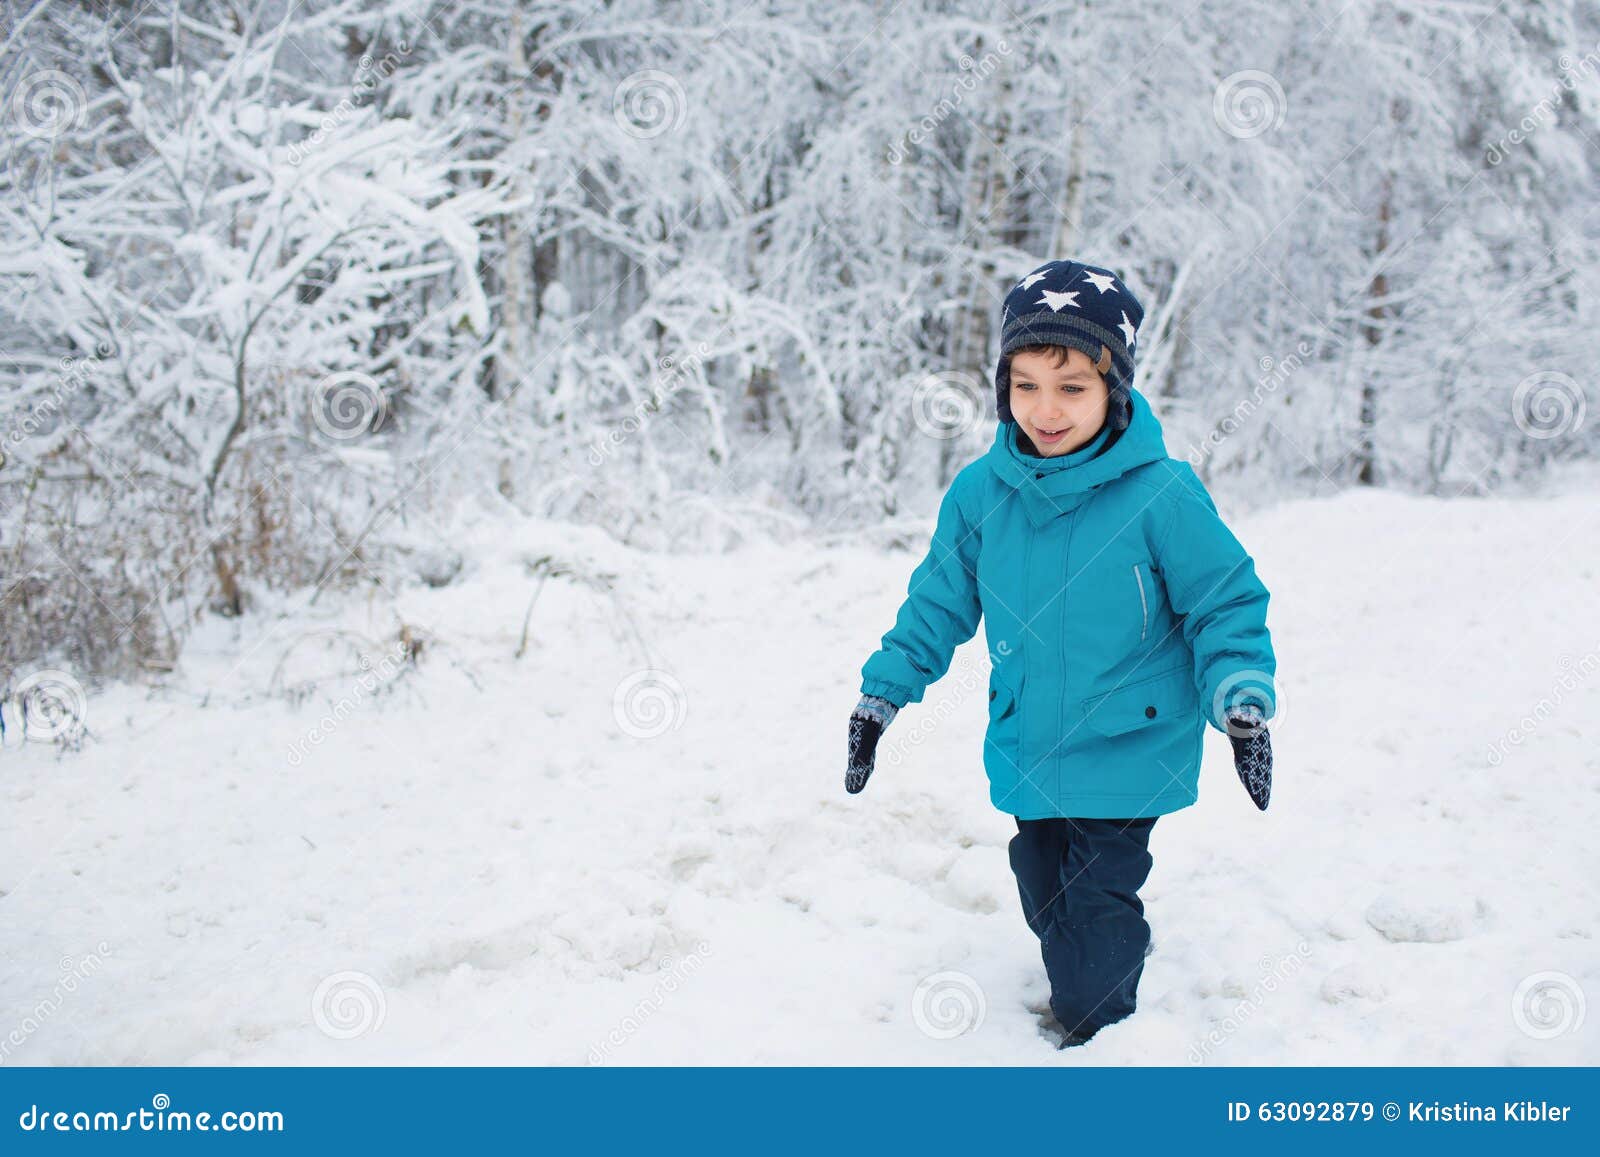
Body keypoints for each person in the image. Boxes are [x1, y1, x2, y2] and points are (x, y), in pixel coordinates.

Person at [845, 258, 1276, 1049]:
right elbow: (938, 604)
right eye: (1026, 384)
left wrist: (1241, 701)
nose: (1046, 409)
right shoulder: (981, 493)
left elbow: (1225, 600)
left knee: (1095, 925)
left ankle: (1100, 1035)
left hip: (1130, 745)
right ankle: (1091, 964)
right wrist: (883, 694)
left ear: (1114, 390)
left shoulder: (1161, 494)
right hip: (1029, 743)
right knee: (1044, 894)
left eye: (1072, 386)